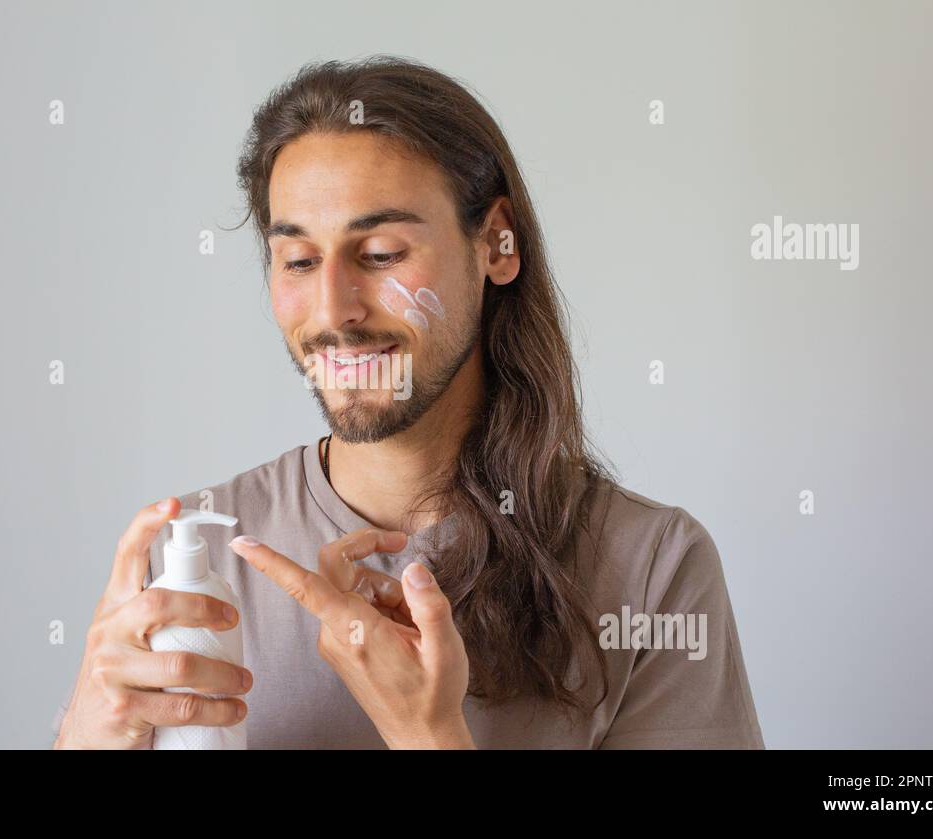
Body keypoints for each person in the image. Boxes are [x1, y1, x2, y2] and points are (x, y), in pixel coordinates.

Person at [52, 55, 764, 749]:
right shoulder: (196, 554)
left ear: (497, 244)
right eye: (299, 260)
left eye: (383, 252)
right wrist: (86, 734)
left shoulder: (652, 569)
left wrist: (430, 734)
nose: (334, 308)